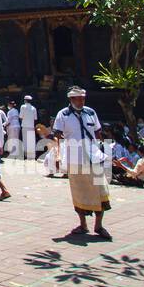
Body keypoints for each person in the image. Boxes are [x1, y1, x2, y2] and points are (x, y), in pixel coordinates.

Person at [52, 87, 111, 239]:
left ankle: (99, 225)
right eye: (78, 99)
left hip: (94, 157)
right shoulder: (63, 114)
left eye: (83, 98)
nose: (81, 101)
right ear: (71, 99)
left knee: (101, 190)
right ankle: (83, 224)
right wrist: (57, 155)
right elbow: (57, 136)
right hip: (75, 159)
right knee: (79, 192)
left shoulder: (91, 112)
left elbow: (97, 132)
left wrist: (103, 149)